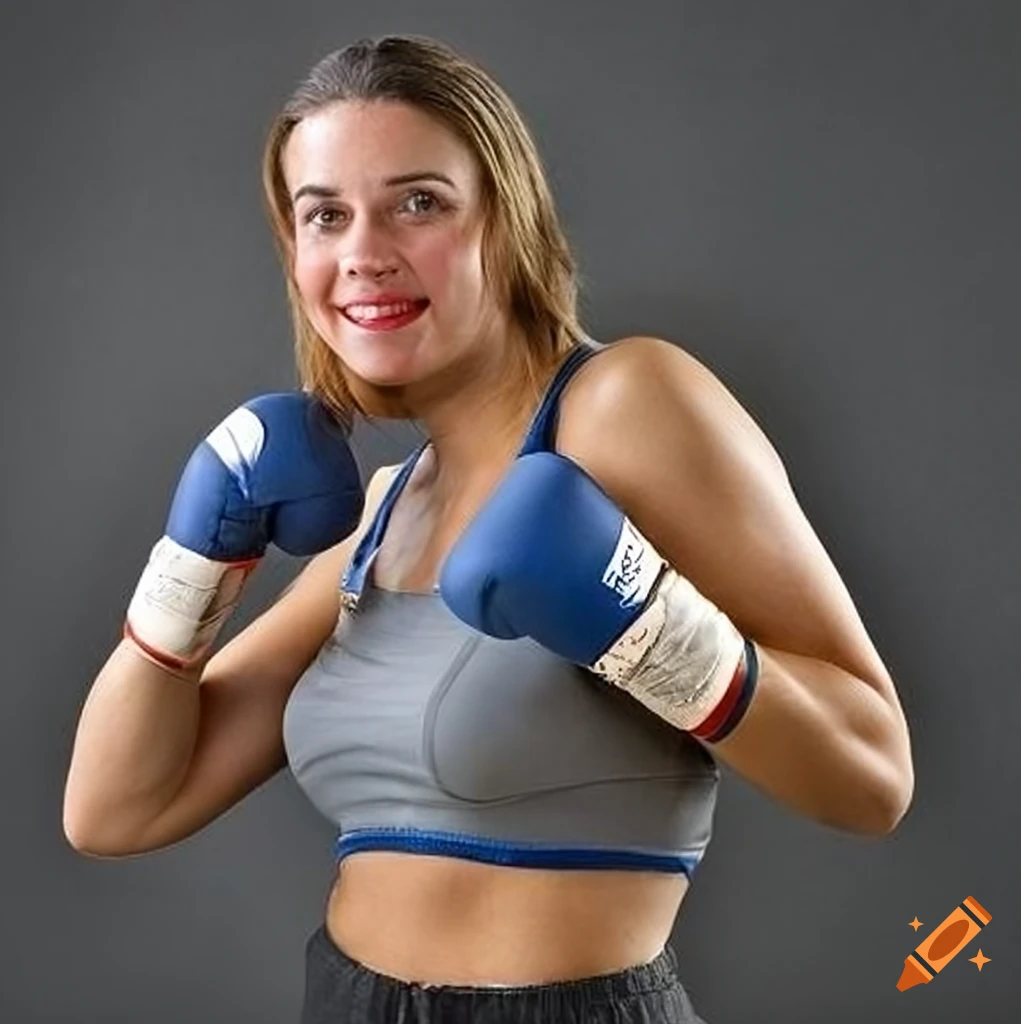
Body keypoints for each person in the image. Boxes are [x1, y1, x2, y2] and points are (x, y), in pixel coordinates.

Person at [62, 34, 915, 1024]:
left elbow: (872, 777)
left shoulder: (625, 406)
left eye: (417, 202)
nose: (364, 253)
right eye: (324, 215)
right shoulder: (384, 511)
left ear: (503, 222)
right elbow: (115, 808)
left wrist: (651, 629)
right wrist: (192, 564)